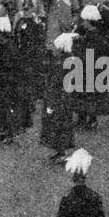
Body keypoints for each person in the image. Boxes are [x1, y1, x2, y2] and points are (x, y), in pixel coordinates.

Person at [41, 33, 76, 162]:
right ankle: (61, 150)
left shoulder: (63, 63)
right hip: (63, 97)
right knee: (61, 124)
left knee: (60, 124)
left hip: (60, 98)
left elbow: (57, 82)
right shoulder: (68, 60)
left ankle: (63, 151)